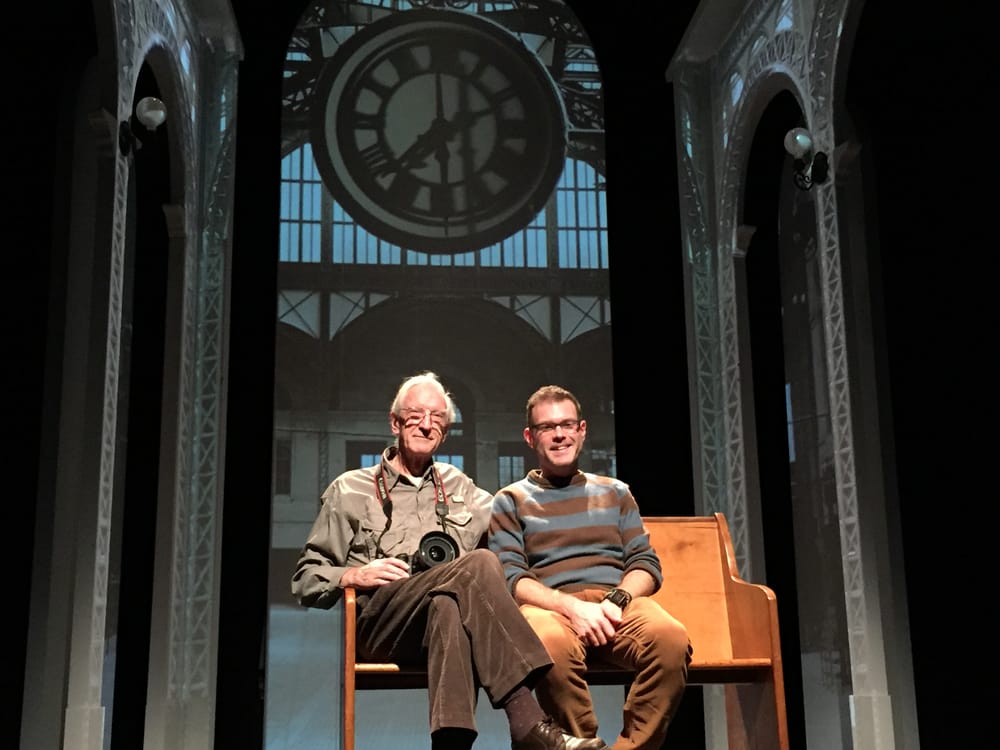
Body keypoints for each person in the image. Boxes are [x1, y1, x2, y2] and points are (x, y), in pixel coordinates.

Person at [291, 372, 608, 750]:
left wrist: (574, 497)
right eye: (416, 415)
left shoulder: (459, 486)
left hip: (435, 624)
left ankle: (451, 745)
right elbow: (306, 581)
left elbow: (519, 523)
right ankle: (527, 722)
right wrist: (355, 573)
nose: (427, 425)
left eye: (438, 419)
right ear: (395, 422)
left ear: (445, 430)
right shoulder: (350, 489)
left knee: (448, 603)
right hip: (382, 623)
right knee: (477, 565)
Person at [489, 385, 693, 750]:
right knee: (547, 644)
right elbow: (511, 578)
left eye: (567, 424)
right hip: (551, 608)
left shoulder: (615, 492)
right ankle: (581, 746)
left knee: (671, 639)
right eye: (547, 427)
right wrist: (571, 607)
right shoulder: (511, 500)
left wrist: (616, 600)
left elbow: (645, 564)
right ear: (529, 437)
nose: (559, 434)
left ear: (582, 430)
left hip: (616, 605)